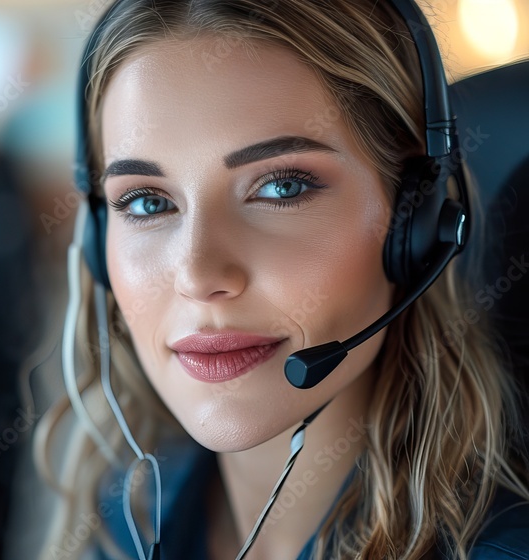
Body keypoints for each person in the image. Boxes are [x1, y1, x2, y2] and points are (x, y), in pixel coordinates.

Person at [34, 1, 529, 559]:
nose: (199, 275)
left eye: (281, 188)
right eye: (147, 202)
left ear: (415, 221)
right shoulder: (128, 519)